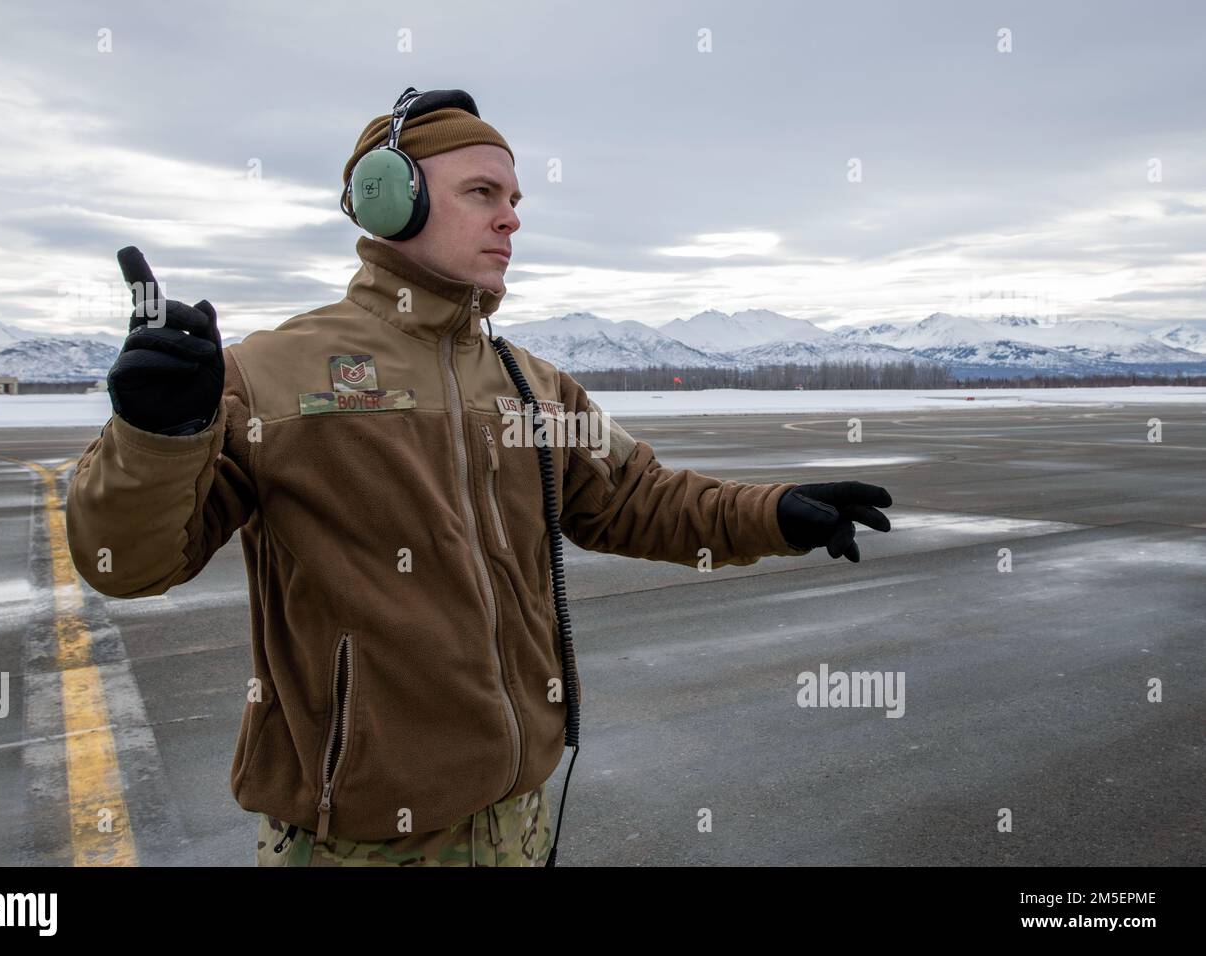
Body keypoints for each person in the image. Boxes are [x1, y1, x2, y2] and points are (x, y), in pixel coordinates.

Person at [65, 87, 893, 867]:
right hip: (355, 839)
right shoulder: (270, 376)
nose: (511, 220)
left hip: (516, 815)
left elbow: (636, 500)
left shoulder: (529, 381)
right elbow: (128, 565)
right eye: (484, 193)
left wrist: (774, 515)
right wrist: (158, 433)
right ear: (393, 200)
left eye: (517, 202)